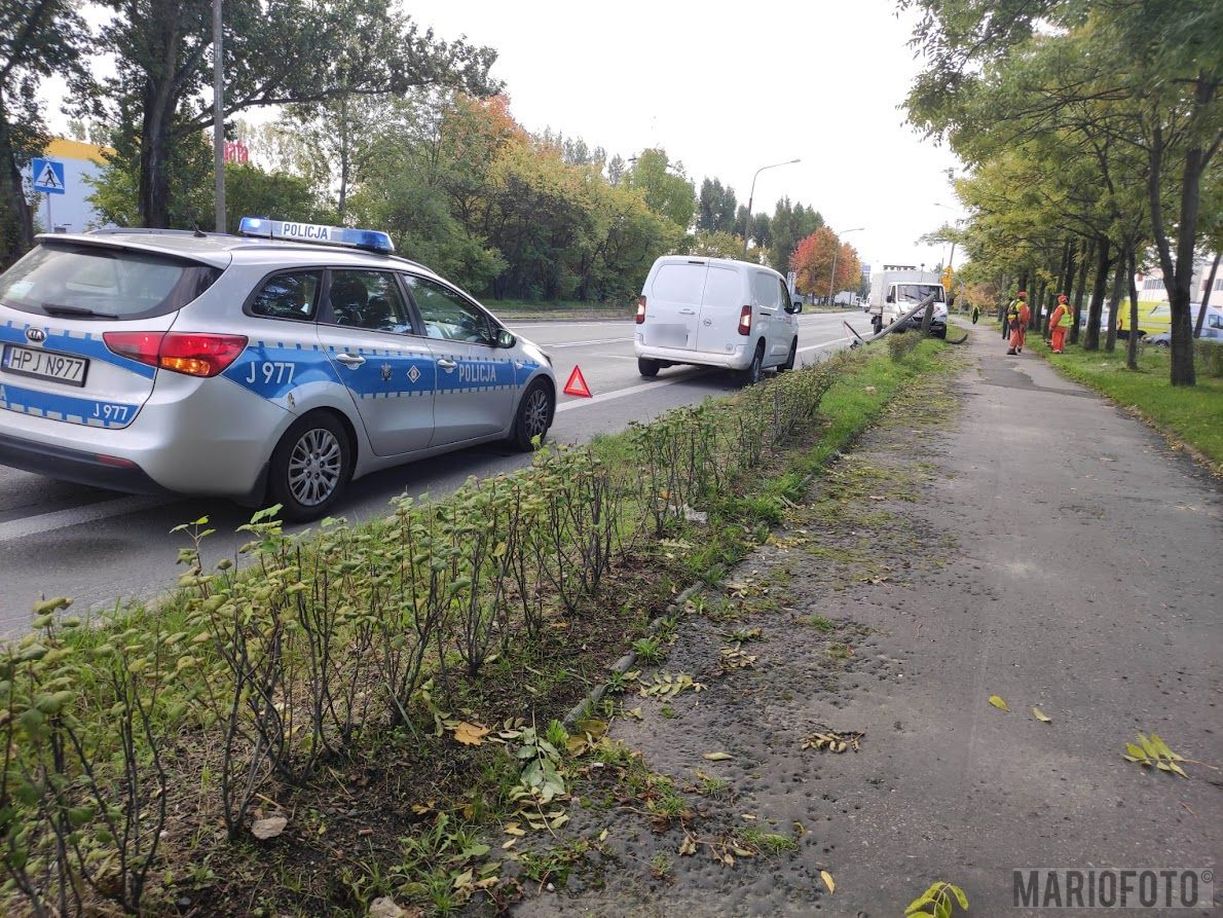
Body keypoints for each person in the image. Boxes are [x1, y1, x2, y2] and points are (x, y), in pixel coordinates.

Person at [1006, 291, 1030, 355]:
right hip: (1017, 319)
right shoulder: (1023, 304)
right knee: (1017, 334)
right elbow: (1023, 315)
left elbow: (1008, 310)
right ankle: (1012, 348)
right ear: (1024, 298)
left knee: (1015, 333)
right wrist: (1024, 322)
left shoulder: (1013, 302)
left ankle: (1018, 347)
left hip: (1010, 318)